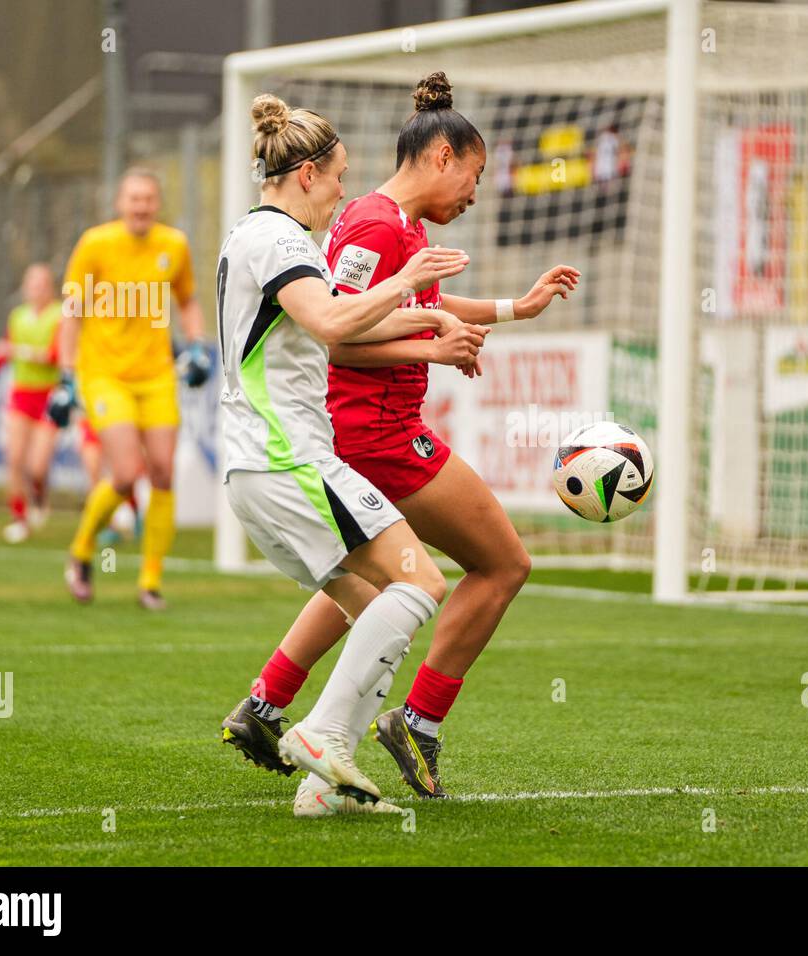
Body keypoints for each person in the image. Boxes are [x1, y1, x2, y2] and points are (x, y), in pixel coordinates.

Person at [223, 72, 579, 800]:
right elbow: (339, 328)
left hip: (298, 450)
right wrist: (429, 339)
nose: (476, 192)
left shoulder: (366, 229)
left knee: (373, 591)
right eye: (475, 174)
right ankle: (399, 723)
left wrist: (507, 309)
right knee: (484, 567)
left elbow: (411, 298)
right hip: (356, 436)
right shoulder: (369, 224)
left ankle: (297, 740)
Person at [217, 92, 471, 816]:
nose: (340, 193)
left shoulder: (250, 234)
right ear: (306, 175)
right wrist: (406, 281)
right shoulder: (282, 240)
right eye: (337, 178)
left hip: (260, 468)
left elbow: (336, 319)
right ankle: (323, 731)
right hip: (289, 459)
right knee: (422, 581)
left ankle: (325, 788)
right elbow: (331, 321)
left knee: (377, 613)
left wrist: (447, 312)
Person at [51, 167, 210, 609]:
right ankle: (82, 551)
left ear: (157, 203)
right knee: (124, 474)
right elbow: (71, 312)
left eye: (148, 199)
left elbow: (188, 300)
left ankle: (150, 581)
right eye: (133, 198)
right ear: (120, 202)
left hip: (157, 374)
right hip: (104, 374)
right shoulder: (95, 244)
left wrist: (197, 345)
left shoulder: (173, 245)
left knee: (161, 470)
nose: (141, 206)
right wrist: (65, 376)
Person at [0, 264, 63, 542]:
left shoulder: (60, 316)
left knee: (37, 465)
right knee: (14, 459)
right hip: (21, 395)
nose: (37, 290)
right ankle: (19, 518)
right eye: (32, 284)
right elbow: (3, 353)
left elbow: (55, 355)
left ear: (50, 287)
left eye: (42, 284)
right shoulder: (18, 316)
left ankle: (40, 495)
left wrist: (20, 351)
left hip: (49, 396)